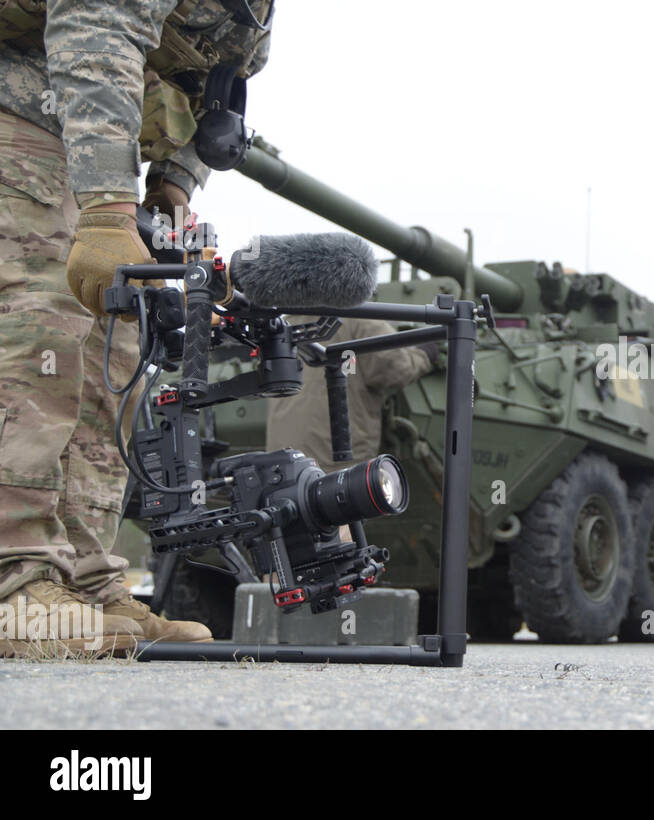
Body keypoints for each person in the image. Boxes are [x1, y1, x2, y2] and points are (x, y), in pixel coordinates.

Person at [0, 0, 274, 655]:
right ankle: (15, 581)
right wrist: (104, 214)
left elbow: (214, 87)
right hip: (26, 113)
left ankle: (82, 577)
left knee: (114, 345)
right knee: (39, 334)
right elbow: (96, 28)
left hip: (96, 139)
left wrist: (173, 191)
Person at [264, 317, 435, 470]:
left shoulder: (283, 324)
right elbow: (396, 368)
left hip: (283, 463)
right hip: (337, 463)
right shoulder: (359, 318)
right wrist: (424, 355)